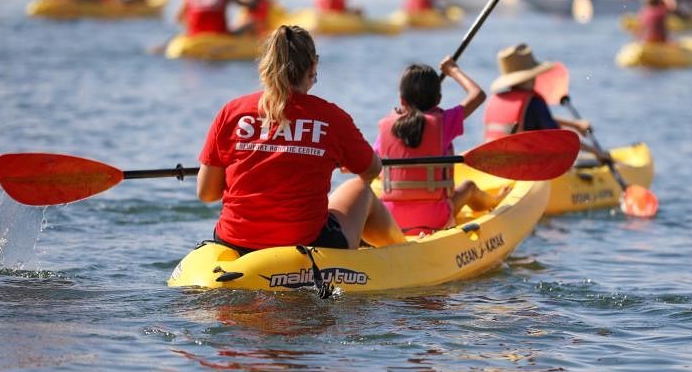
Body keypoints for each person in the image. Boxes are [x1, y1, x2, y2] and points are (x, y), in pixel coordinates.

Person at [197, 25, 406, 252]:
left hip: (233, 241)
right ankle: (405, 253)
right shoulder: (331, 117)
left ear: (265, 66)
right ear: (312, 67)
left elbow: (207, 193)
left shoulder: (231, 112)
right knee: (362, 190)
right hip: (306, 244)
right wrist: (339, 161)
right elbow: (372, 171)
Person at [375, 59, 506, 235]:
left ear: (401, 100)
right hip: (435, 219)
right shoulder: (445, 122)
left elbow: (370, 164)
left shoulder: (387, 127)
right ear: (438, 99)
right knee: (468, 187)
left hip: (391, 219)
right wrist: (453, 70)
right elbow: (478, 95)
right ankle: (495, 202)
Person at [482, 43, 608, 159]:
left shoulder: (498, 98)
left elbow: (531, 120)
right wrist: (596, 152)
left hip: (493, 160)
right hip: (522, 164)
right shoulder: (535, 103)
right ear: (531, 76)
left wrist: (574, 124)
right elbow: (561, 138)